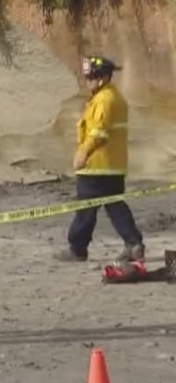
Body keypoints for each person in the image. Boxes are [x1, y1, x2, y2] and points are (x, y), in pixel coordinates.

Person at [57, 55, 145, 263]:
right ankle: (134, 244)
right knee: (115, 206)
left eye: (92, 77)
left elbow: (98, 133)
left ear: (104, 77)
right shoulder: (112, 97)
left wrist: (83, 153)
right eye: (87, 77)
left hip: (97, 165)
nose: (88, 81)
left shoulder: (105, 99)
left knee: (86, 208)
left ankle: (77, 249)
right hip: (112, 166)